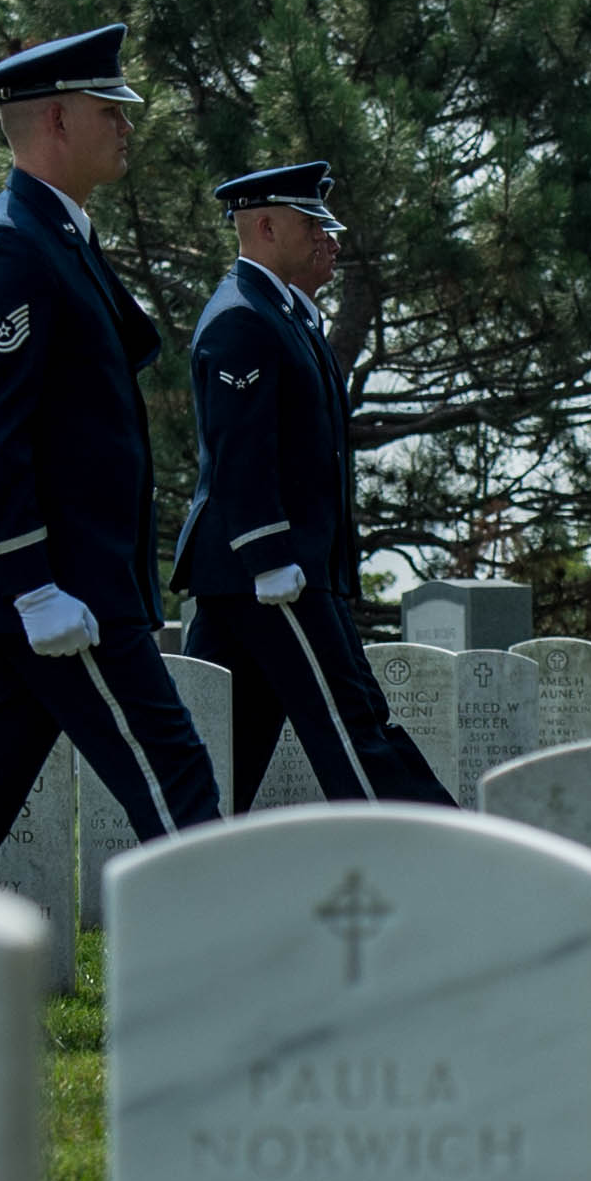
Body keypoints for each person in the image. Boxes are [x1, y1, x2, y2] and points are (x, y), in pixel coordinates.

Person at [0, 24, 228, 874]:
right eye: (108, 108)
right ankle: (236, 987)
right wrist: (35, 584)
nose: (126, 124)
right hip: (60, 585)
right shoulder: (9, 246)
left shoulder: (59, 234)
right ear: (54, 120)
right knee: (175, 778)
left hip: (72, 585)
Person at [172, 161, 452, 806]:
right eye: (313, 226)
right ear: (266, 227)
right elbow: (240, 450)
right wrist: (270, 556)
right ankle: (443, 863)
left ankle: (181, 886)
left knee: (224, 755)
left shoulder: (286, 315)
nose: (331, 240)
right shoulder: (243, 317)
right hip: (268, 570)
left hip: (266, 571)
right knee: (356, 729)